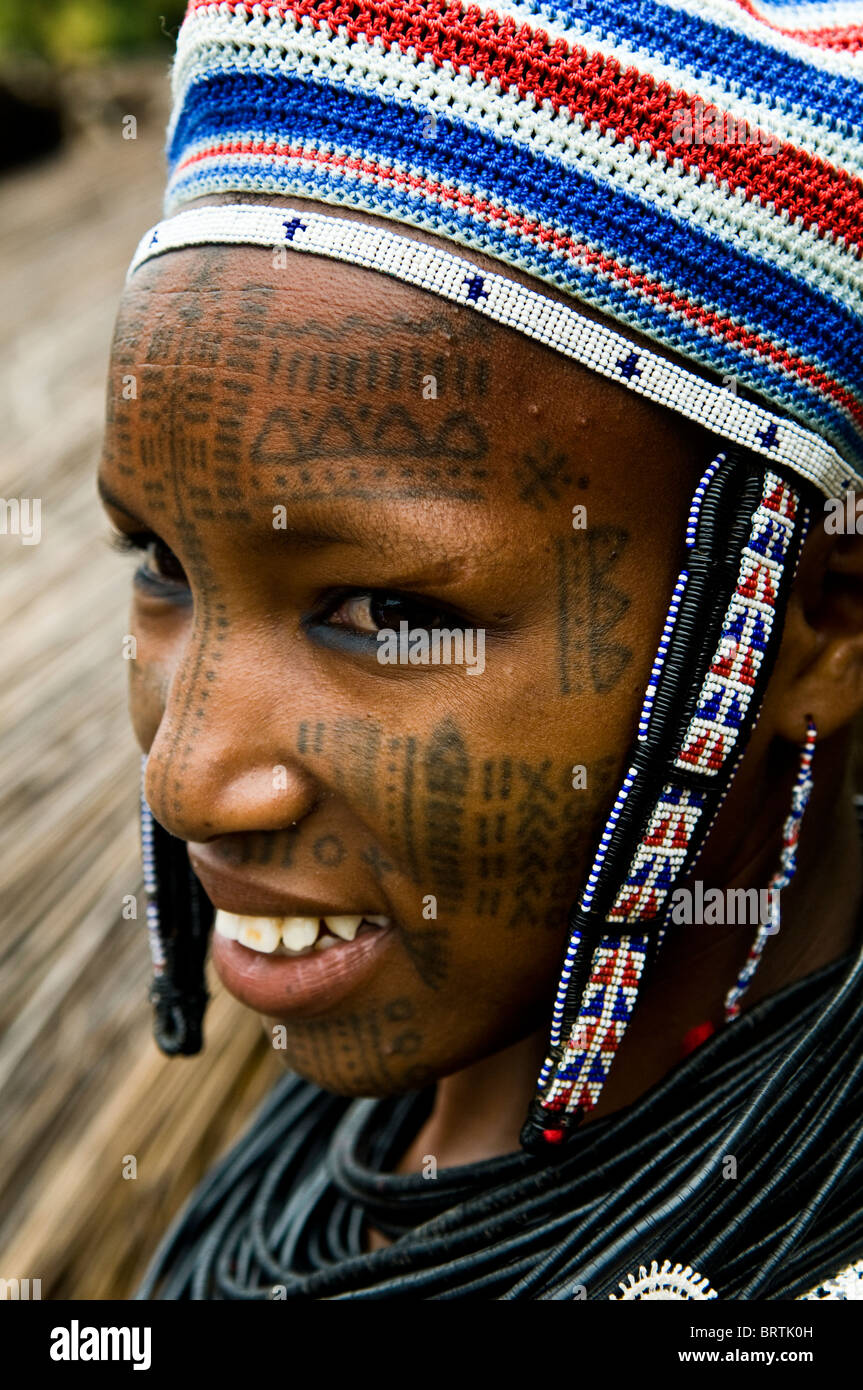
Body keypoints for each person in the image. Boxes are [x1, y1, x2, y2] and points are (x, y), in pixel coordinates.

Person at [98, 0, 863, 1299]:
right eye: (163, 566)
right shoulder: (348, 1159)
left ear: (822, 622)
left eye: (388, 616)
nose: (188, 781)